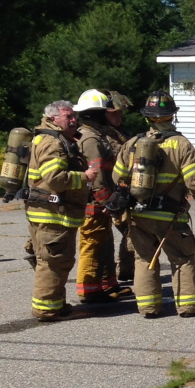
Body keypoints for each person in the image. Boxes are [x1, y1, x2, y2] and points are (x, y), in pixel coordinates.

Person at [111, 90, 195, 318]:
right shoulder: (181, 145)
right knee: (182, 259)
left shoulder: (132, 144)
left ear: (147, 117)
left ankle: (149, 308)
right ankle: (189, 306)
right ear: (172, 116)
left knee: (143, 260)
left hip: (139, 214)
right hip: (170, 216)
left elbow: (116, 177)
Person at [25, 100, 100, 321]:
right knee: (53, 261)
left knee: (57, 260)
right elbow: (55, 179)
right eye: (68, 116)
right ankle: (46, 309)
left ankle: (56, 305)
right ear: (52, 119)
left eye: (73, 116)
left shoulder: (57, 139)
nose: (73, 120)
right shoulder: (51, 142)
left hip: (52, 212)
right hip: (52, 214)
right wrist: (84, 177)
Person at [73, 89, 132, 303]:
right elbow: (96, 177)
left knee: (105, 242)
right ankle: (89, 291)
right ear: (96, 113)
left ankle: (108, 284)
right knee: (92, 244)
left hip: (102, 201)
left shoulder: (97, 134)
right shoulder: (89, 138)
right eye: (104, 111)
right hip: (94, 202)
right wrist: (107, 201)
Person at [104, 90, 136, 282]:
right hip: (110, 190)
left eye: (120, 113)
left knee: (128, 230)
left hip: (122, 189)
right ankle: (115, 272)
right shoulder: (104, 135)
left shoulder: (122, 133)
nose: (118, 116)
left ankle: (126, 270)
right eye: (113, 112)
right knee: (127, 230)